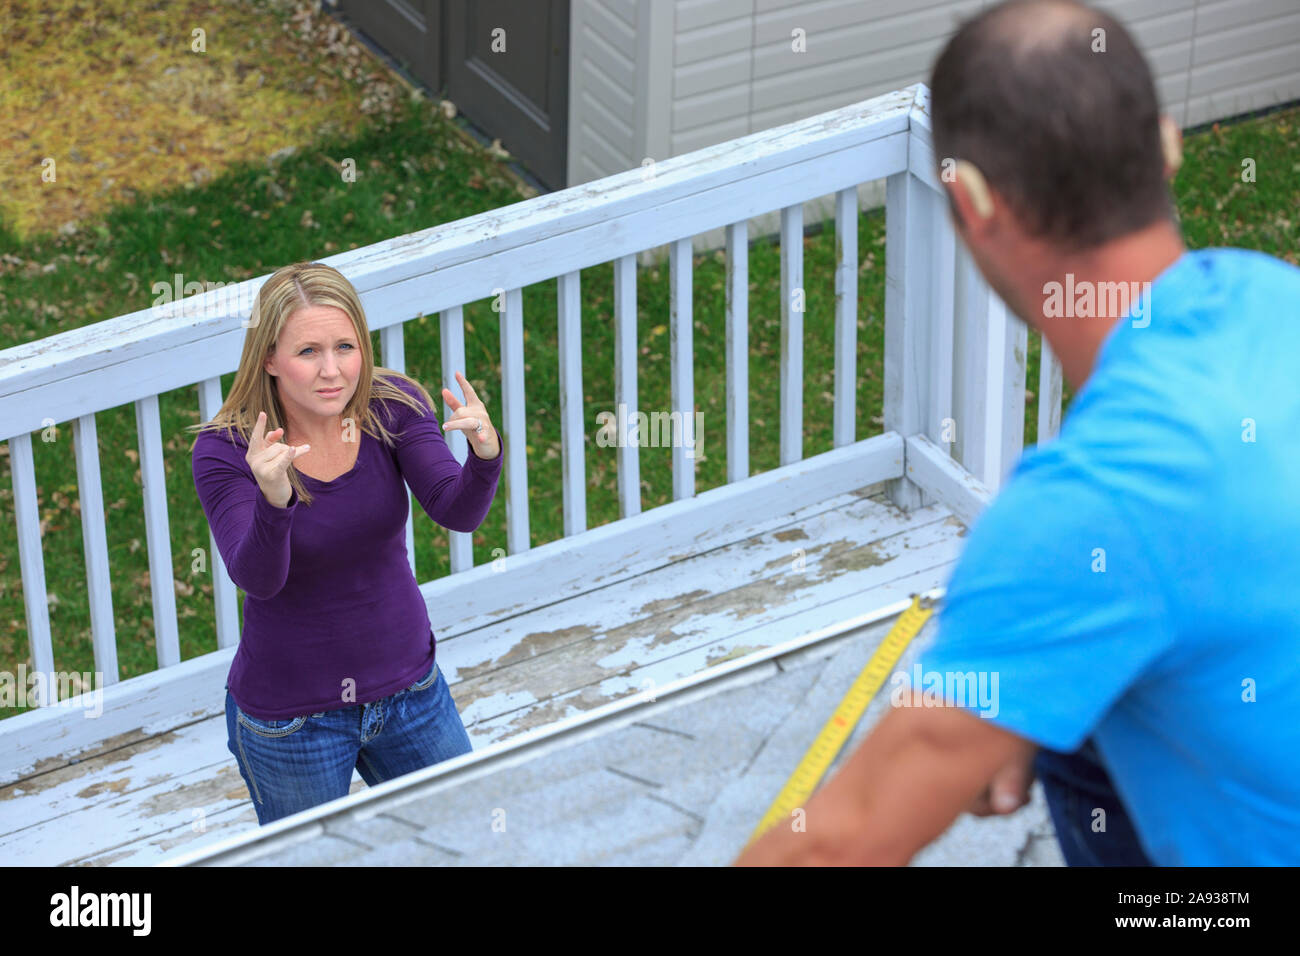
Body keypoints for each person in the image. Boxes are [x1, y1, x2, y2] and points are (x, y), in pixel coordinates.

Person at [735, 0, 1300, 865]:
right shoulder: (1272, 296)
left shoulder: (1097, 506)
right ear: (1166, 146)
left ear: (971, 200)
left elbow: (833, 850)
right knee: (1073, 724)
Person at [188, 261, 503, 826]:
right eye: (308, 351)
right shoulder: (227, 450)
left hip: (411, 690)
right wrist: (274, 497)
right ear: (268, 358)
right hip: (292, 720)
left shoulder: (393, 406)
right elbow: (258, 576)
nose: (332, 371)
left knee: (468, 835)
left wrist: (483, 453)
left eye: (345, 346)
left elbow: (455, 510)